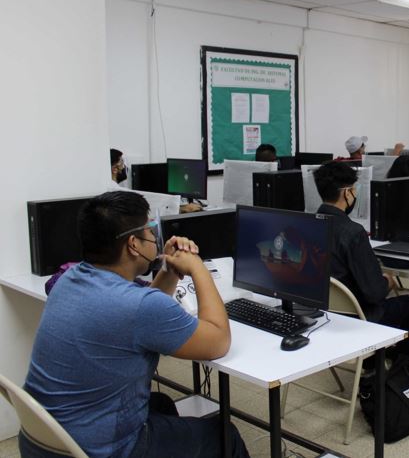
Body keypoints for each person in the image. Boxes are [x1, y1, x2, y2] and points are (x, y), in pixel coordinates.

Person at [22, 191, 249, 458]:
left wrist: (169, 270)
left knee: (162, 403)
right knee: (224, 435)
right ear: (133, 244)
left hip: (44, 440)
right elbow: (218, 340)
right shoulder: (139, 306)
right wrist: (198, 267)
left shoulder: (69, 279)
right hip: (99, 450)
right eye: (151, 230)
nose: (155, 236)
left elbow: (143, 315)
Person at [313, 161, 409, 364]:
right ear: (347, 193)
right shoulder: (353, 233)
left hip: (322, 317)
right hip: (358, 319)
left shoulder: (309, 224)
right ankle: (403, 365)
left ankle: (380, 358)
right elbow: (374, 293)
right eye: (354, 190)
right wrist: (388, 281)